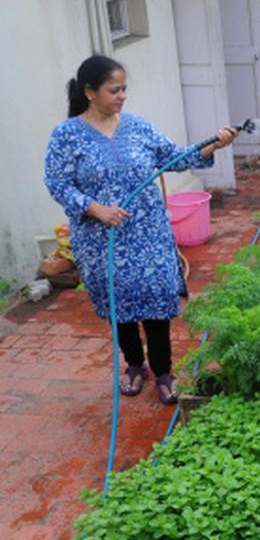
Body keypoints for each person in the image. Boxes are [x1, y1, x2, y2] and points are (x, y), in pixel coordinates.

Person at [44, 55, 239, 404]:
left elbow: (176, 157)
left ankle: (164, 371)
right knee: (120, 305)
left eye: (124, 89)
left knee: (157, 300)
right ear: (90, 92)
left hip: (149, 233)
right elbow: (57, 183)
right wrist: (96, 209)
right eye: (113, 90)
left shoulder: (137, 127)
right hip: (100, 239)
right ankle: (135, 365)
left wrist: (214, 144)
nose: (122, 96)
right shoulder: (67, 135)